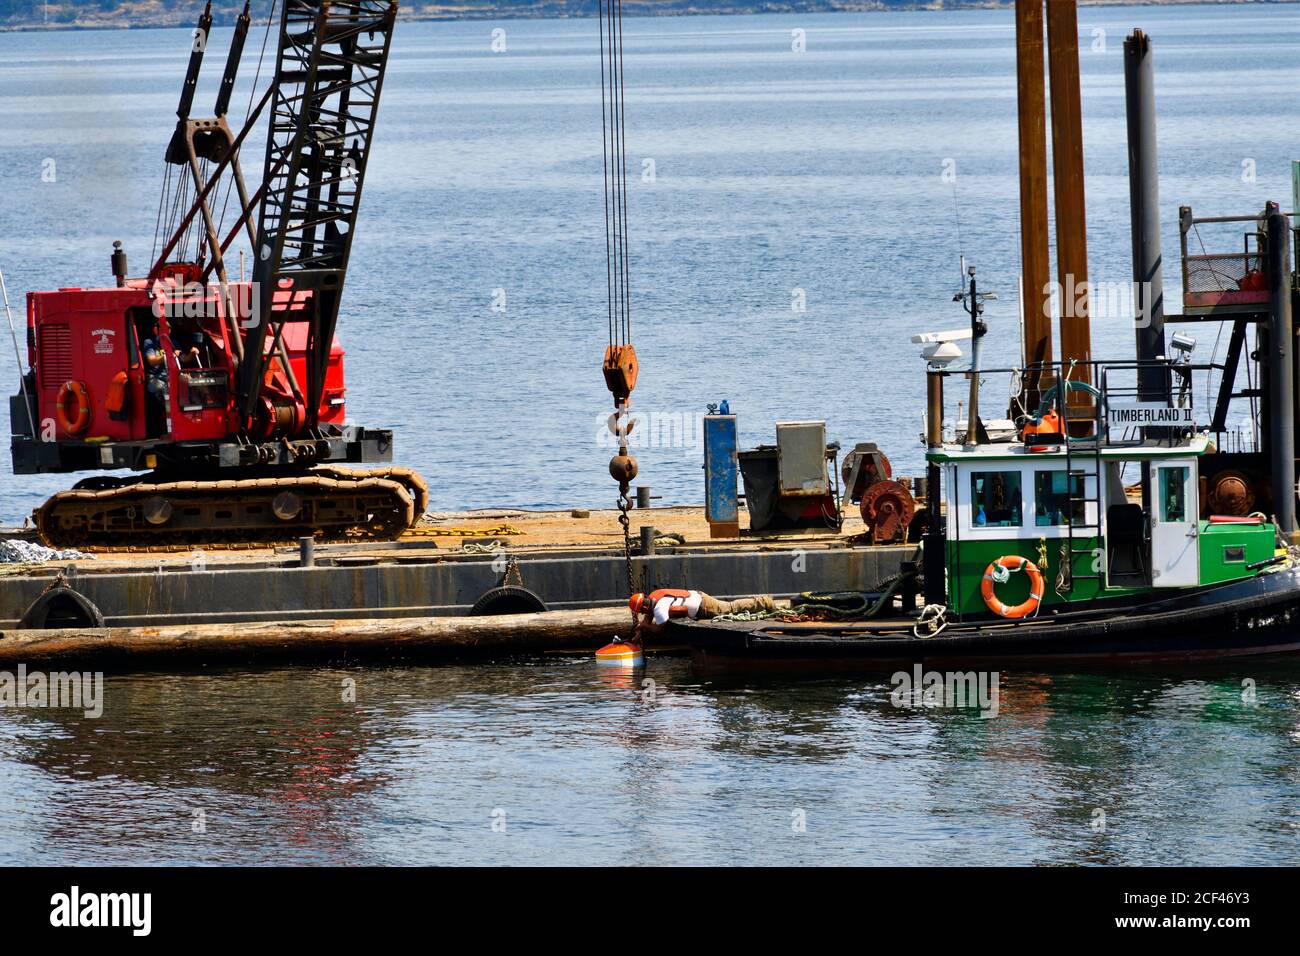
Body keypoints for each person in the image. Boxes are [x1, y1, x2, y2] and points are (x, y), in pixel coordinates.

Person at [630, 588, 778, 638]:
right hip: (697, 597)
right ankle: (763, 602)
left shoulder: (660, 609)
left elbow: (661, 629)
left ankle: (763, 602)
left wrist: (645, 628)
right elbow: (647, 620)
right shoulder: (654, 596)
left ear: (643, 609)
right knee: (729, 608)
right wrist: (637, 635)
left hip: (703, 605)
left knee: (729, 608)